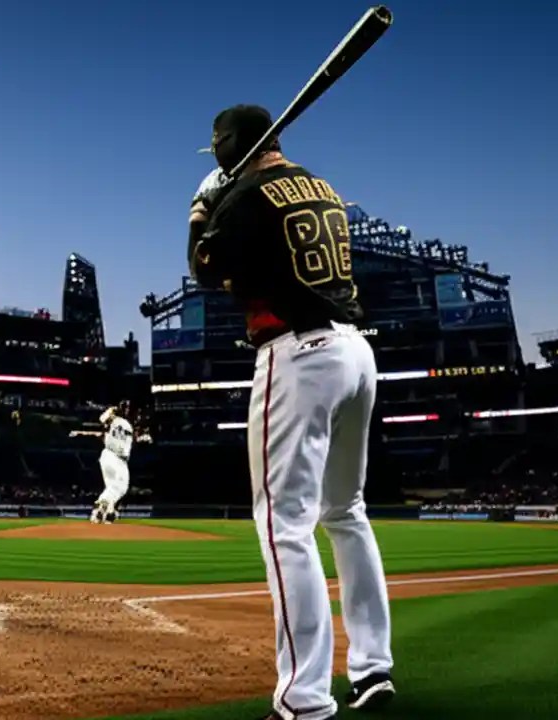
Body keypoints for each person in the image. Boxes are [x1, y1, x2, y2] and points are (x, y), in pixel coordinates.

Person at [190, 105, 395, 719]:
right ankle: (373, 669)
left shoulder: (245, 196)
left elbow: (204, 268)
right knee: (347, 513)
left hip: (298, 355)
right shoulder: (321, 187)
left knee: (285, 527)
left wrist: (201, 210)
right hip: (356, 352)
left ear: (228, 147)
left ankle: (304, 699)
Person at [91, 402, 133, 524]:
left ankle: (105, 512)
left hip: (107, 455)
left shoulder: (112, 420)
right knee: (121, 488)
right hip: (118, 458)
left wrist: (110, 411)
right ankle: (103, 502)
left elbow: (101, 419)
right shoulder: (126, 424)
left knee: (111, 487)